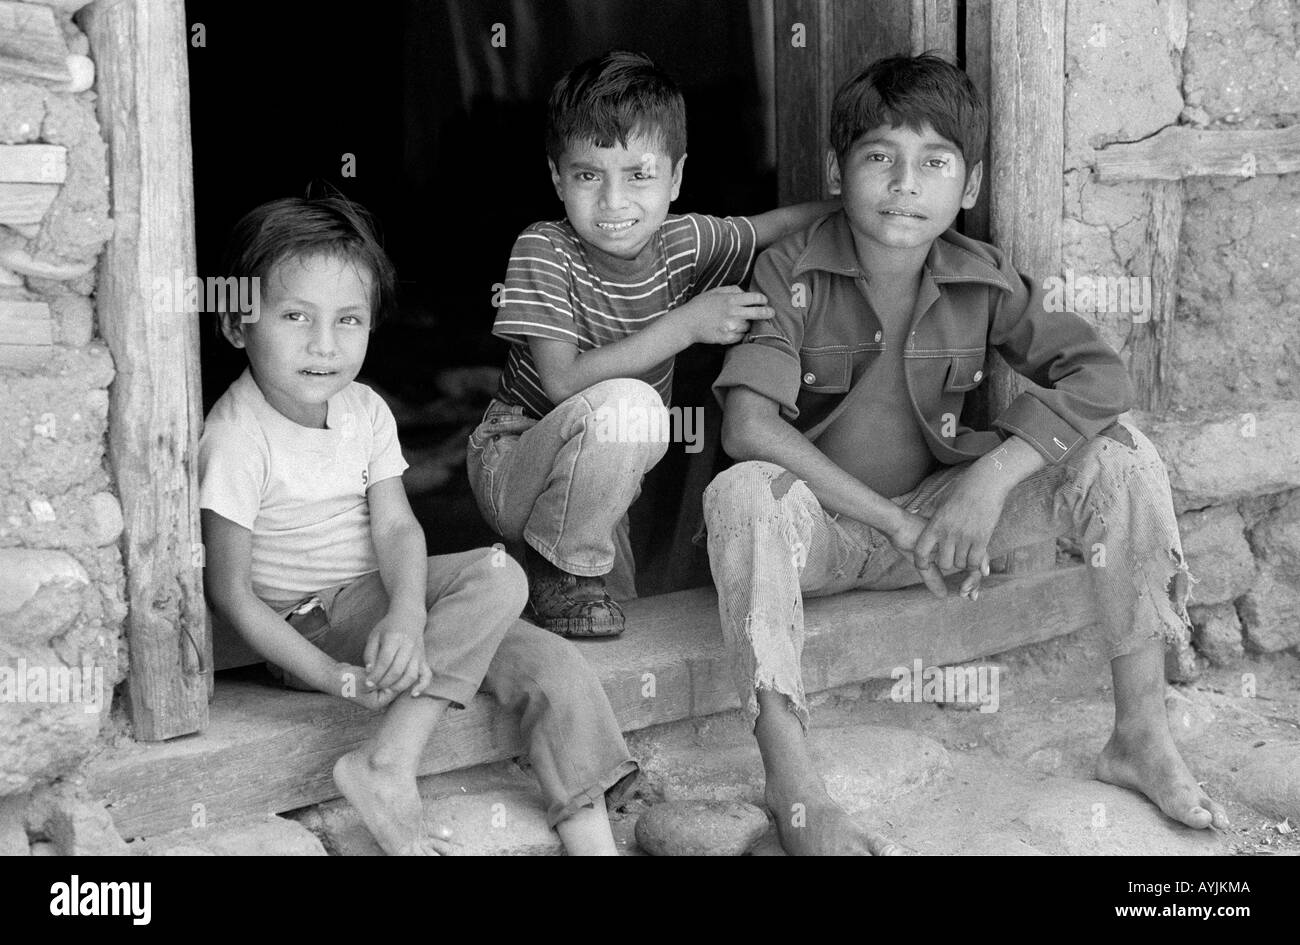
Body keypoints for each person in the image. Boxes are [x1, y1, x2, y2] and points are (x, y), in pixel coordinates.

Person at [704, 53, 1227, 855]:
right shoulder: (788, 270)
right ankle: (794, 784)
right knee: (743, 492)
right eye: (880, 156)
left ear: (969, 185)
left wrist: (991, 476)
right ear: (838, 172)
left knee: (1121, 454)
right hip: (826, 537)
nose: (906, 183)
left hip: (944, 523)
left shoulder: (978, 276)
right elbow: (746, 426)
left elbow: (1100, 373)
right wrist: (894, 523)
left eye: (935, 162)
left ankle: (1141, 735)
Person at [199, 195, 636, 855]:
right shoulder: (236, 436)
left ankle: (590, 834)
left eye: (348, 319)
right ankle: (386, 764)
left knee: (551, 660)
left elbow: (399, 530)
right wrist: (329, 674)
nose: (324, 344)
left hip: (380, 604)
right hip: (311, 625)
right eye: (295, 316)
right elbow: (230, 592)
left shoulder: (365, 409)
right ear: (238, 326)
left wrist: (406, 615)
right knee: (498, 575)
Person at [468, 49, 839, 637]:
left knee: (612, 621)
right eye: (589, 175)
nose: (614, 202)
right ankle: (552, 563)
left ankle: (560, 579)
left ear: (676, 177)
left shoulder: (684, 241)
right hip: (513, 459)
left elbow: (777, 225)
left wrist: (871, 209)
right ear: (556, 178)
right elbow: (562, 382)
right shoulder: (543, 248)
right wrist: (687, 324)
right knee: (636, 408)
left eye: (638, 174)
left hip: (602, 486)